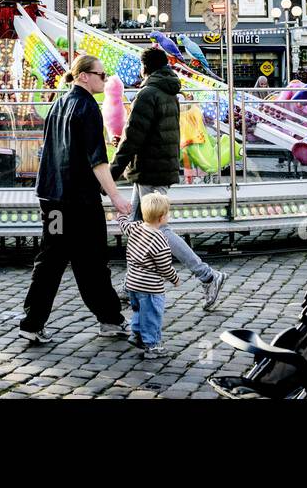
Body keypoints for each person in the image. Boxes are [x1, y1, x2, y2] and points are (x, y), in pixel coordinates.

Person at [18, 54, 132, 345]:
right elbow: (97, 160)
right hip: (80, 202)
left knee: (51, 258)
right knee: (92, 259)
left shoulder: (58, 104)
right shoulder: (88, 108)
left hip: (53, 199)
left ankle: (32, 322)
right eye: (101, 75)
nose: (104, 80)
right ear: (84, 76)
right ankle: (110, 319)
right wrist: (116, 196)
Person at [110, 47, 225, 310]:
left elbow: (133, 137)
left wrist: (113, 171)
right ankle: (131, 287)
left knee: (157, 229)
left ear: (145, 68)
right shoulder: (169, 92)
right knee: (139, 229)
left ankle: (207, 275)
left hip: (149, 170)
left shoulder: (147, 93)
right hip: (157, 168)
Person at [115, 192, 180, 359]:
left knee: (138, 311)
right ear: (161, 218)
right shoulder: (160, 239)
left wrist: (121, 215)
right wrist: (174, 278)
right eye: (167, 213)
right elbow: (164, 266)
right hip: (151, 288)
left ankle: (136, 335)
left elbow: (124, 225)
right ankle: (152, 345)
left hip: (133, 284)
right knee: (151, 316)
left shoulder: (135, 227)